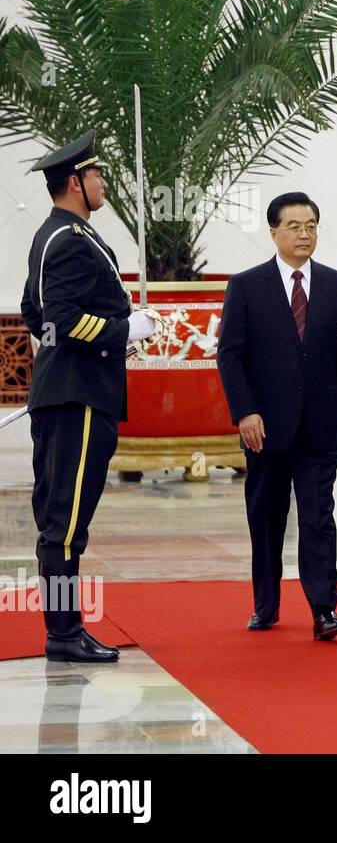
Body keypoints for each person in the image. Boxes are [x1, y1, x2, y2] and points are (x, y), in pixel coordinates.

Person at [20, 130, 156, 663]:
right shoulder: (69, 240)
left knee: (64, 521)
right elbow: (59, 317)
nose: (103, 183)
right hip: (76, 398)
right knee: (65, 522)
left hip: (74, 391)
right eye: (97, 175)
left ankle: (65, 628)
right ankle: (62, 633)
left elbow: (35, 312)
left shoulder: (61, 234)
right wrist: (125, 331)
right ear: (76, 182)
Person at [216, 192, 337, 641]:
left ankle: (324, 610)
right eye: (295, 226)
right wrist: (246, 412)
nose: (305, 233)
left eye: (312, 225)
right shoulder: (246, 286)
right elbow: (230, 355)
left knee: (318, 516)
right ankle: (266, 604)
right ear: (274, 231)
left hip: (320, 425)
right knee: (267, 518)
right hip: (266, 427)